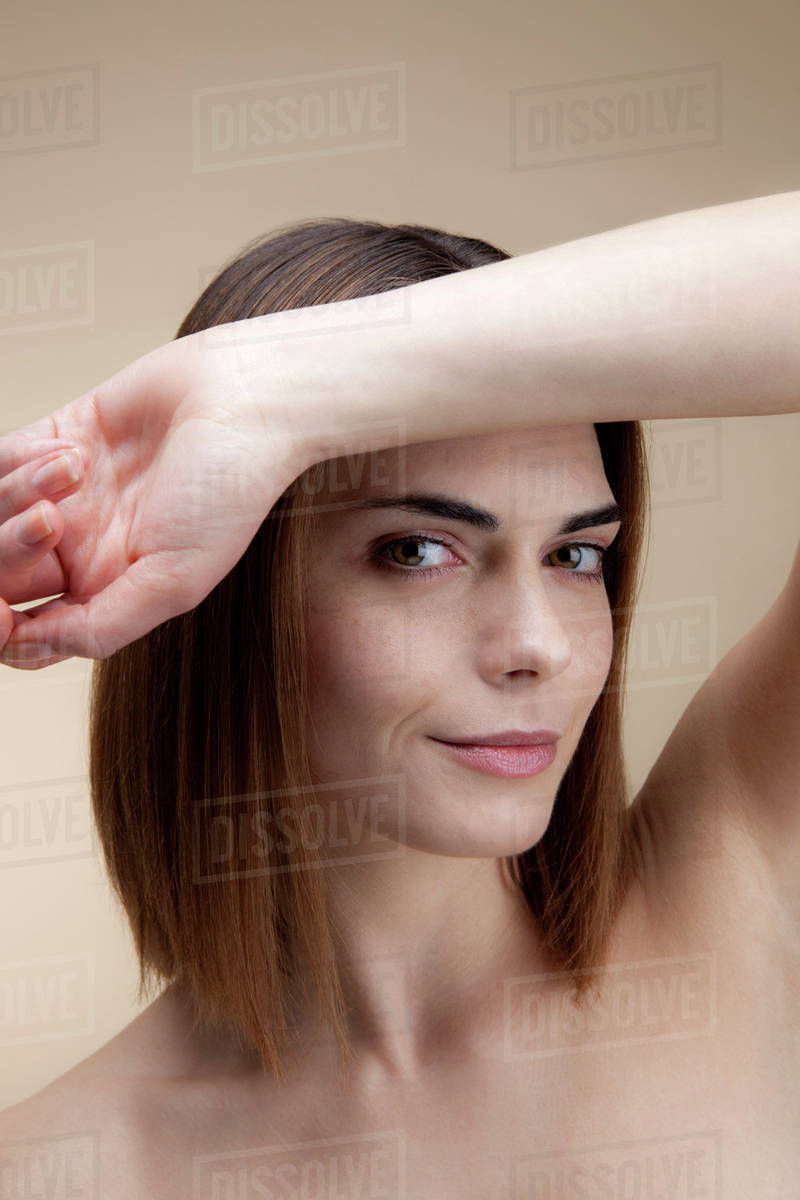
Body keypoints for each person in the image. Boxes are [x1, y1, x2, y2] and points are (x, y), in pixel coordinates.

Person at [0, 195, 798, 1198]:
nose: (537, 647)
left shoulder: (735, 893)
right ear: (226, 594)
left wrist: (275, 386)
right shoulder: (55, 1170)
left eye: (575, 553)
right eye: (416, 551)